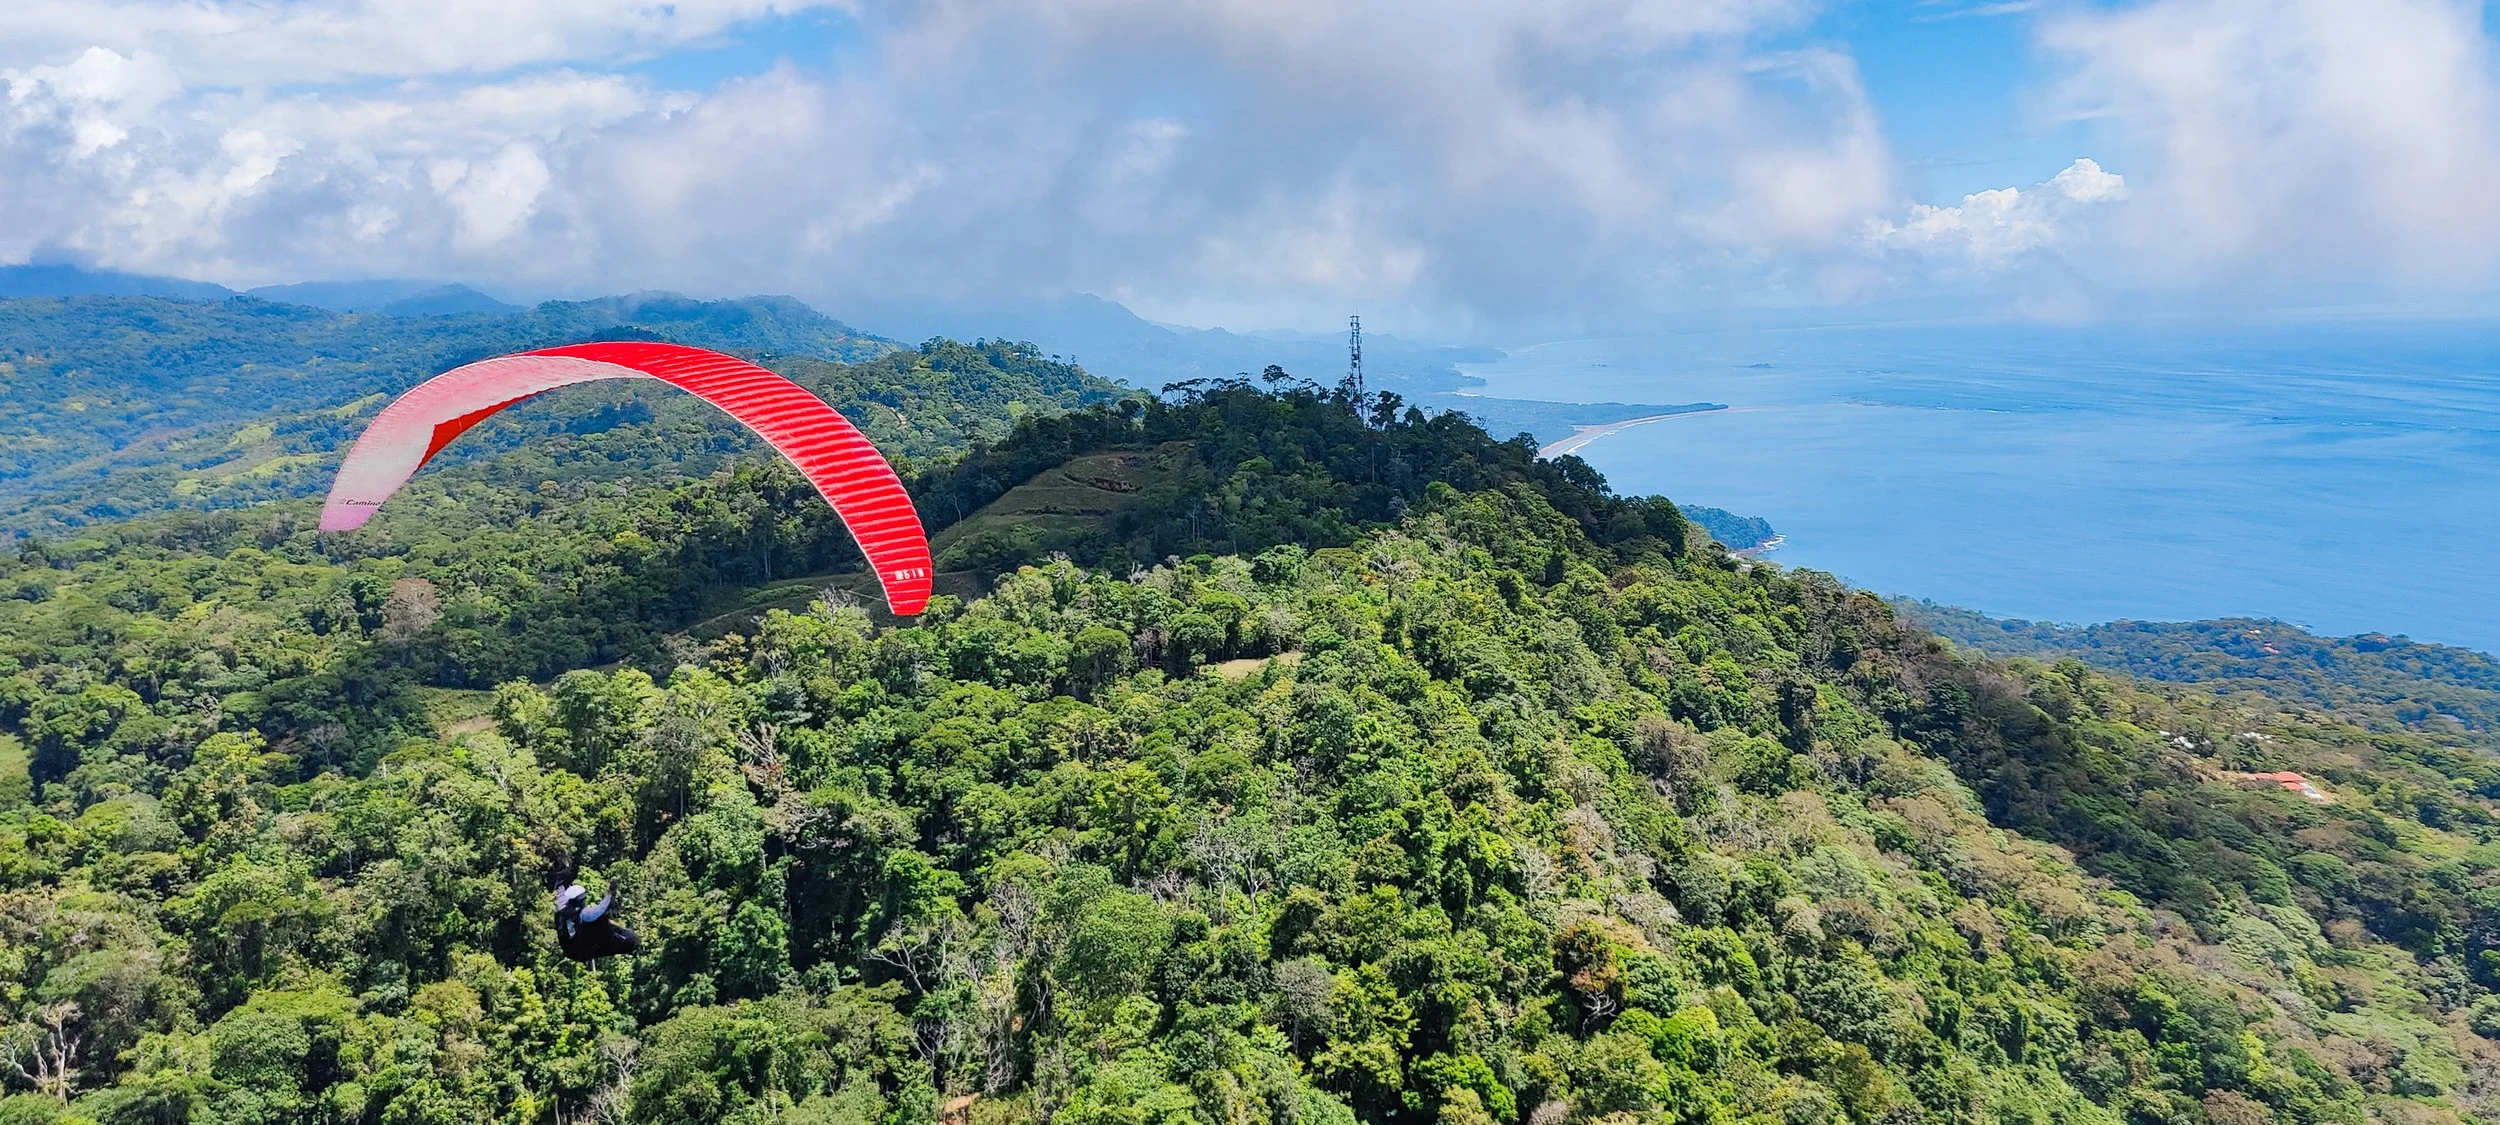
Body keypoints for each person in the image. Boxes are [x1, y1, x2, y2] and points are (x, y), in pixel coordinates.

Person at [551, 857, 641, 962]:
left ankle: (619, 939)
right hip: (579, 950)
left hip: (570, 947)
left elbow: (561, 886)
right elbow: (598, 911)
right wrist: (610, 895)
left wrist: (565, 869)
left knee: (600, 923)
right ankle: (622, 942)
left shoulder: (562, 904)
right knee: (601, 922)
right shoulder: (580, 914)